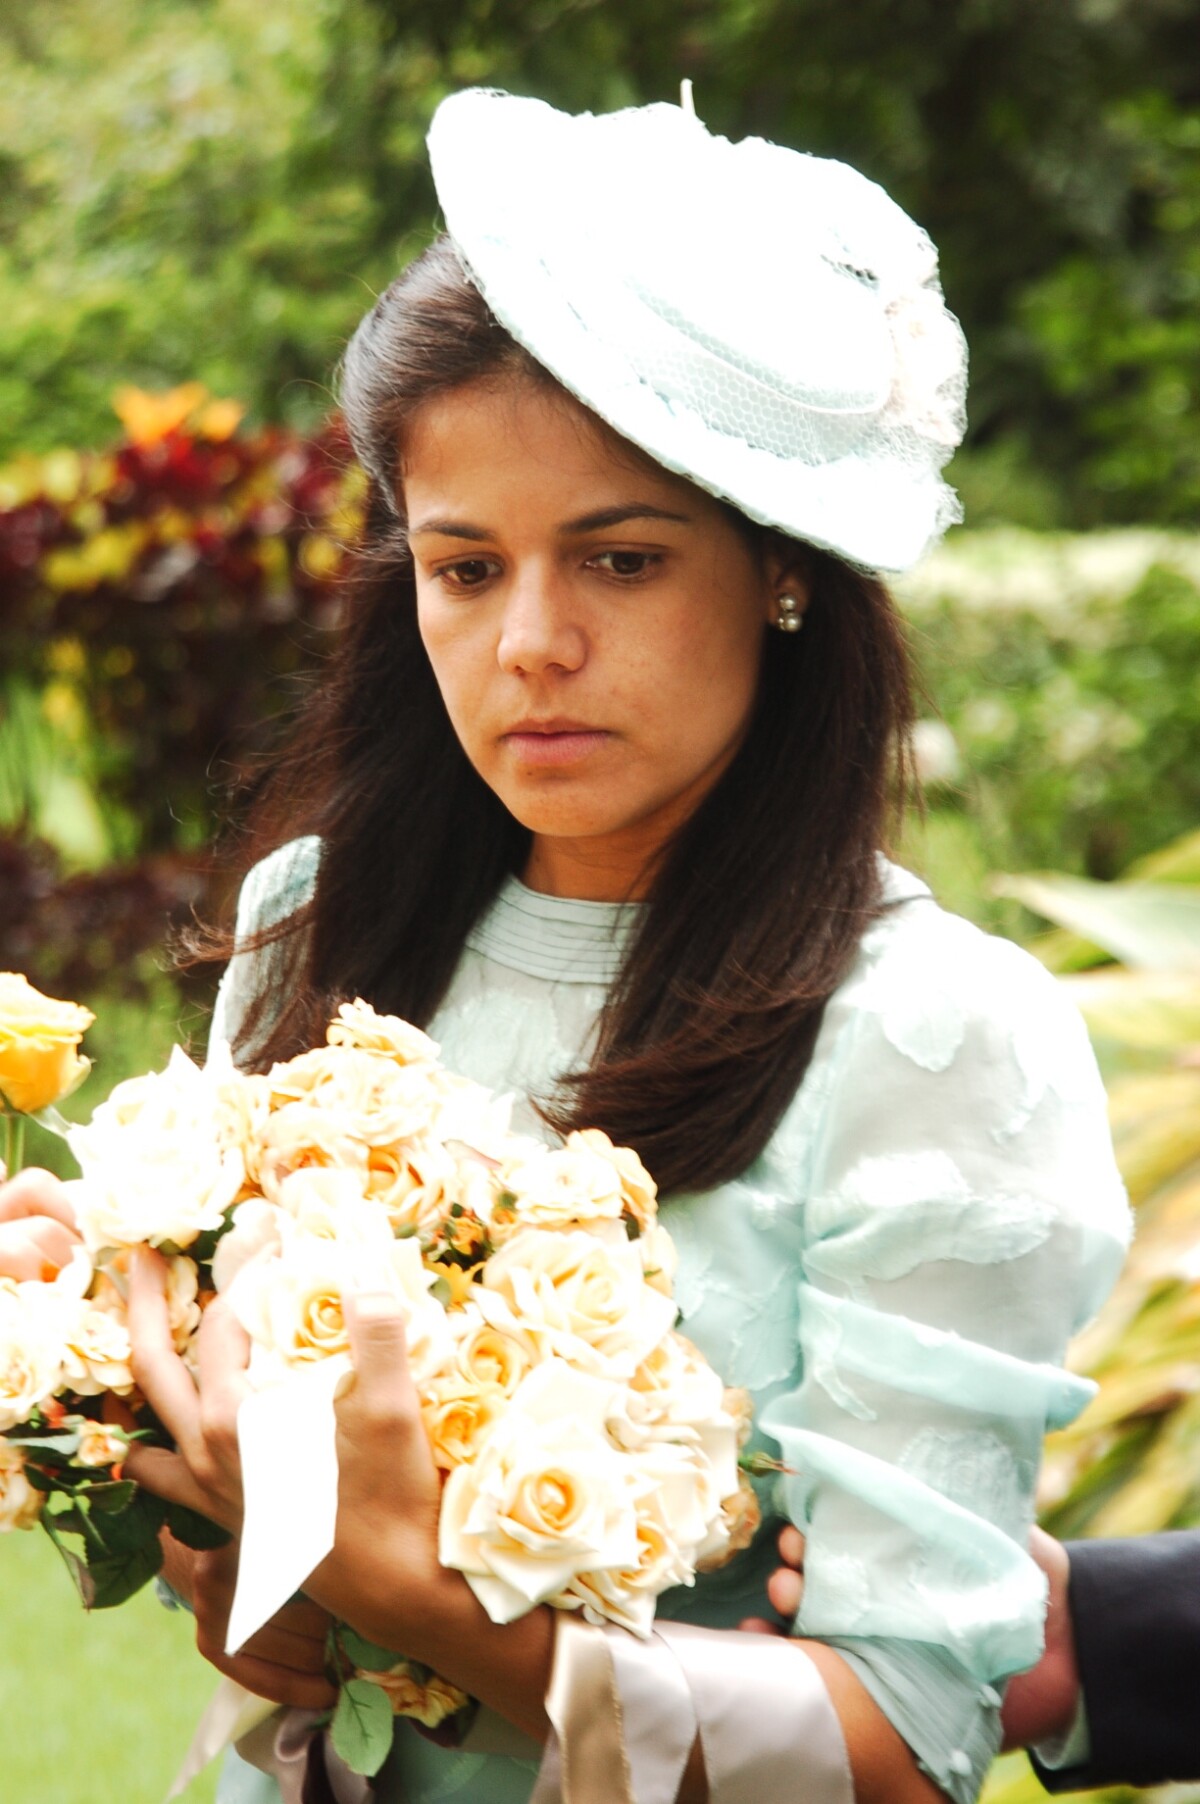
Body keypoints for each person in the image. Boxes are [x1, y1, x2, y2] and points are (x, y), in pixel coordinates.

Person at [0, 90, 1131, 1804]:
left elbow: (908, 1741)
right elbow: (265, 1629)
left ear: (782, 574)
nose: (531, 643)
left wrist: (446, 1613)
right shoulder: (322, 918)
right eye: (465, 569)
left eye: (619, 557)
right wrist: (115, 1409)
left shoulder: (931, 1033)